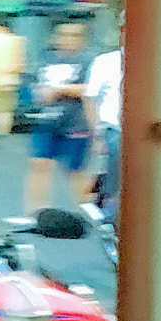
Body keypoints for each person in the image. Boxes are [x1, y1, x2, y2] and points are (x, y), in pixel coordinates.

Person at [24, 19, 95, 212]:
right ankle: (36, 211)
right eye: (63, 35)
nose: (68, 39)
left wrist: (58, 90)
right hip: (47, 121)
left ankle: (87, 212)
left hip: (76, 123)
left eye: (74, 35)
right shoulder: (46, 58)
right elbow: (35, 84)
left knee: (75, 171)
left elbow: (90, 89)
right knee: (38, 164)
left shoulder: (88, 60)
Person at [84, 30, 122, 216]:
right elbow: (90, 97)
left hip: (149, 130)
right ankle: (109, 204)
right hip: (113, 128)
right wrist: (96, 134)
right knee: (118, 151)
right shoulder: (105, 61)